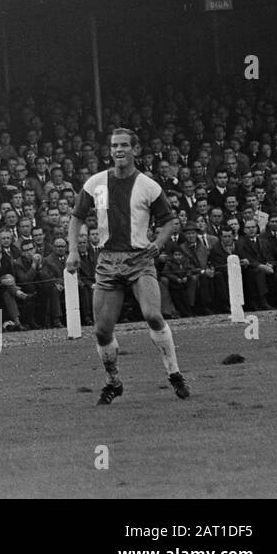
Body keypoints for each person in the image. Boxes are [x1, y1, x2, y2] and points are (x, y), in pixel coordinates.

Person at [66, 129, 186, 405]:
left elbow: (168, 221)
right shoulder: (96, 183)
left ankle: (175, 373)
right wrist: (73, 250)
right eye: (114, 146)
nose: (118, 150)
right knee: (101, 330)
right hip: (107, 261)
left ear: (135, 150)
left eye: (123, 145)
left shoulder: (148, 185)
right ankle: (113, 381)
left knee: (153, 315)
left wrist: (158, 243)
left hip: (139, 259)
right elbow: (76, 218)